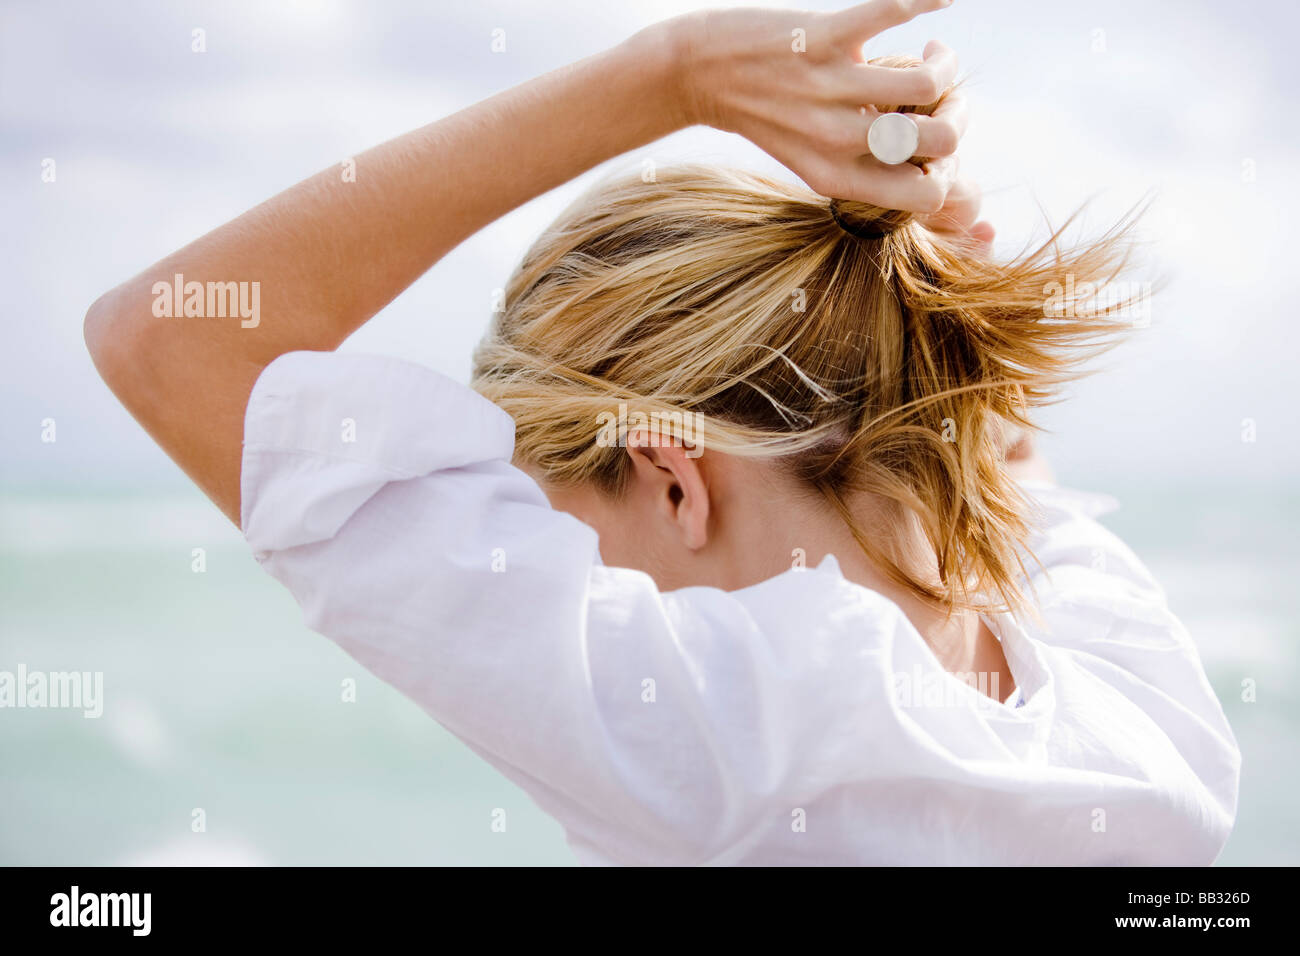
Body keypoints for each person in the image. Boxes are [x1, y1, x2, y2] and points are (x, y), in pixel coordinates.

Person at [84, 0, 1240, 865]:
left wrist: (672, 73)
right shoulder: (1135, 691)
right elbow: (998, 472)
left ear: (670, 476)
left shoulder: (744, 736)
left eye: (561, 529)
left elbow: (162, 341)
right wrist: (915, 303)